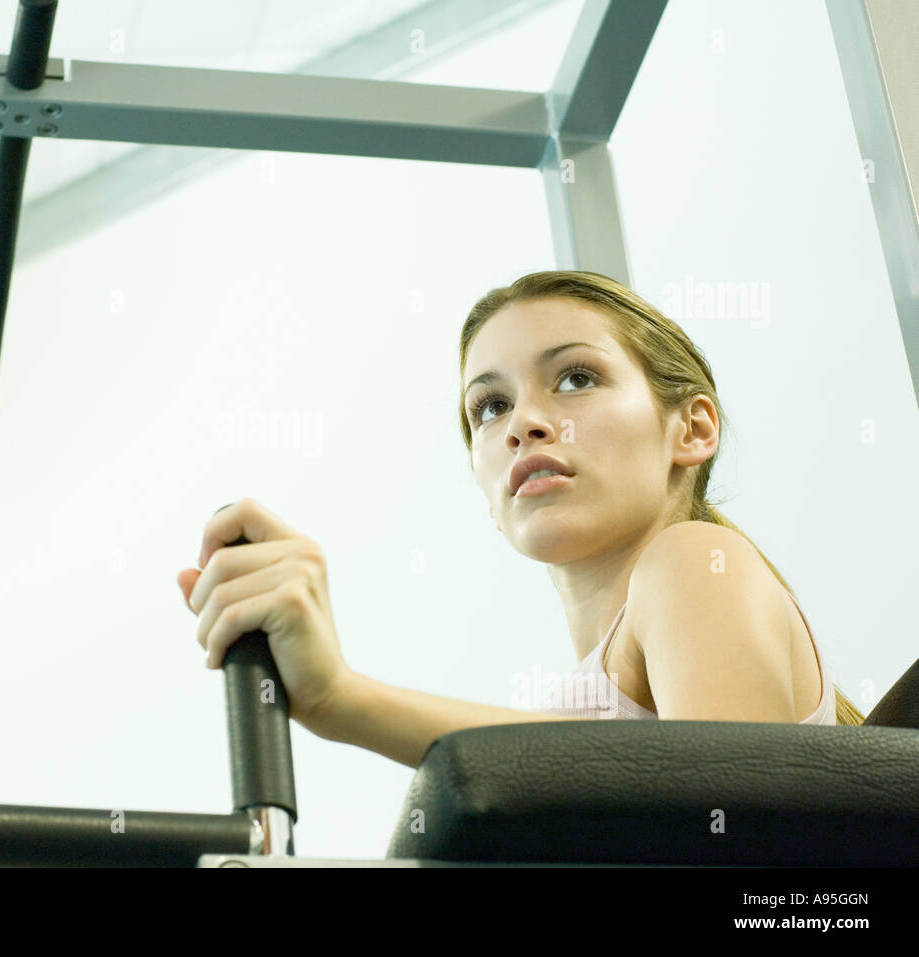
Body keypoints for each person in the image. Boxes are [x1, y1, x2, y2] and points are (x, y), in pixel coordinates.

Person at [176, 270, 865, 770]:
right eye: (490, 407)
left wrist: (342, 697)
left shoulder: (695, 561)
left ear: (692, 427)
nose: (524, 423)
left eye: (575, 378)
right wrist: (336, 696)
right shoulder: (570, 721)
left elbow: (747, 862)